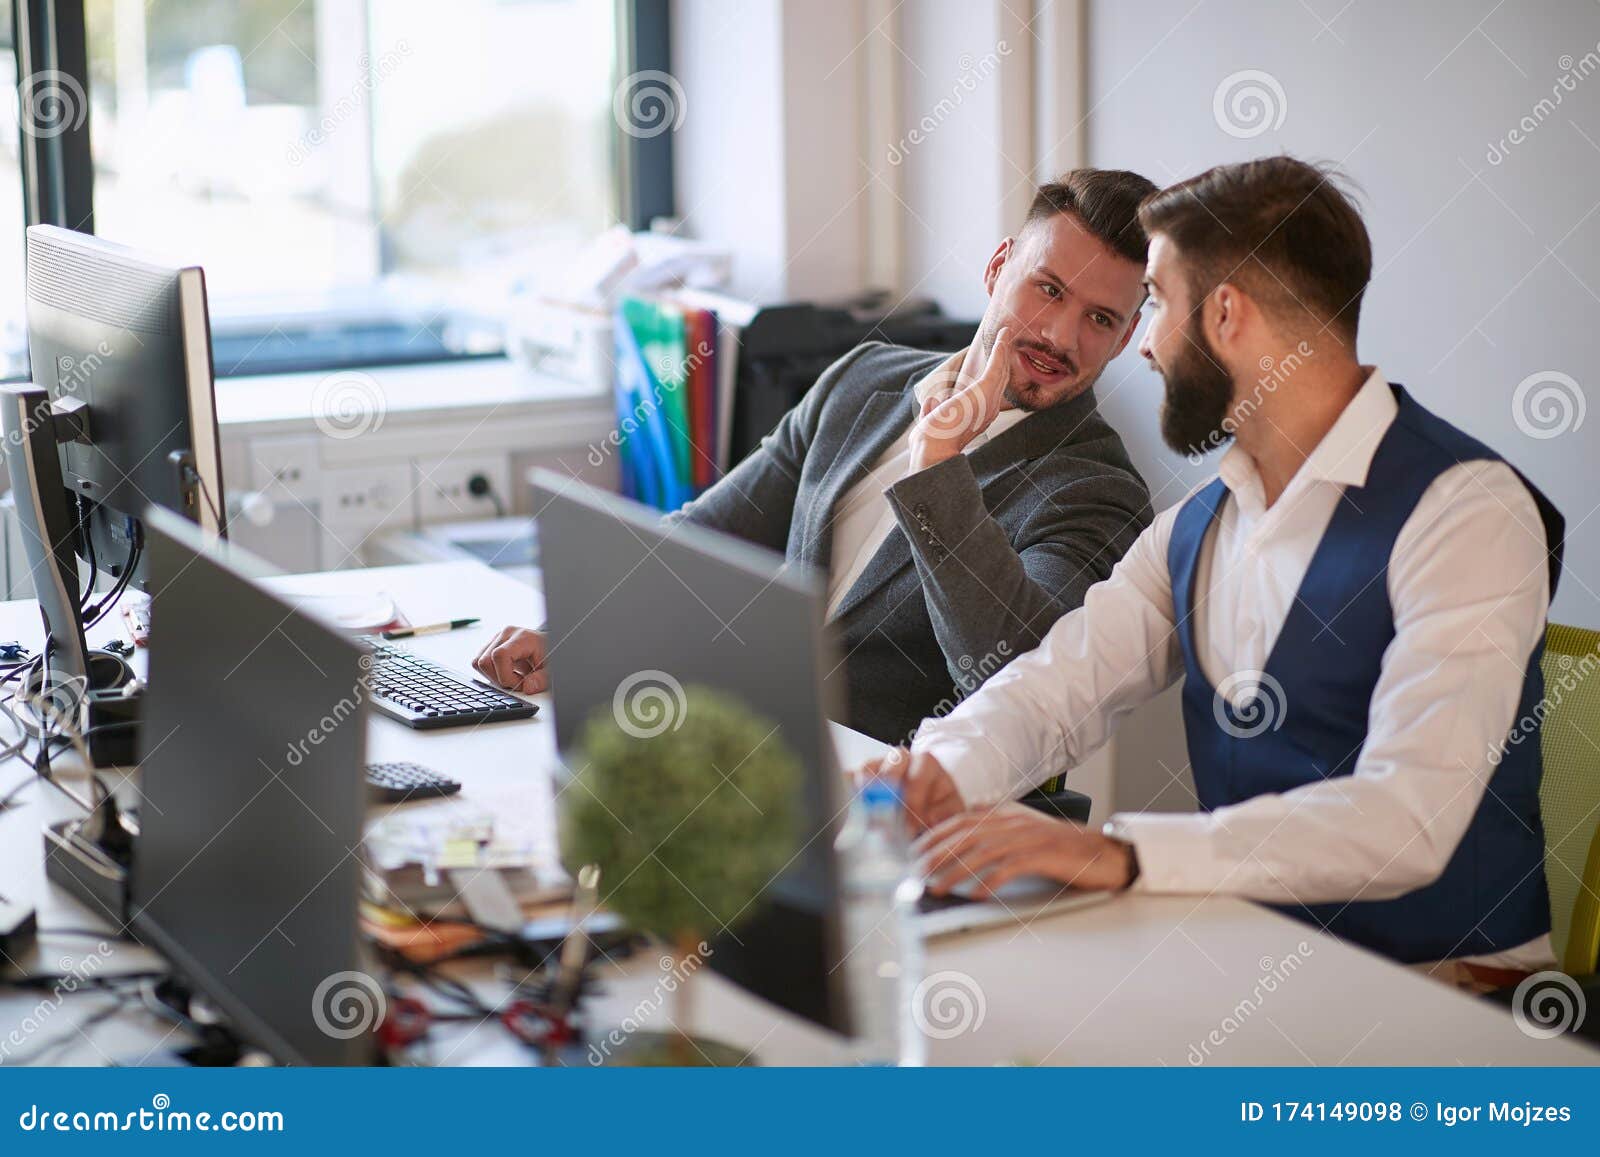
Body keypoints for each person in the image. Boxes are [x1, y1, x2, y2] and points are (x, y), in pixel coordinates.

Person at [868, 156, 1565, 976]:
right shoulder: (1196, 529)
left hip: (1450, 994)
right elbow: (1057, 688)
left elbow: (1407, 817)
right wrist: (936, 773)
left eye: (1156, 303)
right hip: (1252, 963)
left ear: (1226, 315)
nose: (1148, 346)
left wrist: (1122, 854)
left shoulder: (1467, 511)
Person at [476, 169, 1157, 745]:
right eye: (1049, 288)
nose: (1061, 334)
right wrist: (575, 631)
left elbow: (1014, 680)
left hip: (907, 821)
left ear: (1125, 338)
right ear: (997, 267)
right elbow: (703, 540)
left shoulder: (1097, 488)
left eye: (1101, 318)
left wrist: (938, 465)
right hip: (749, 766)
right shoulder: (864, 377)